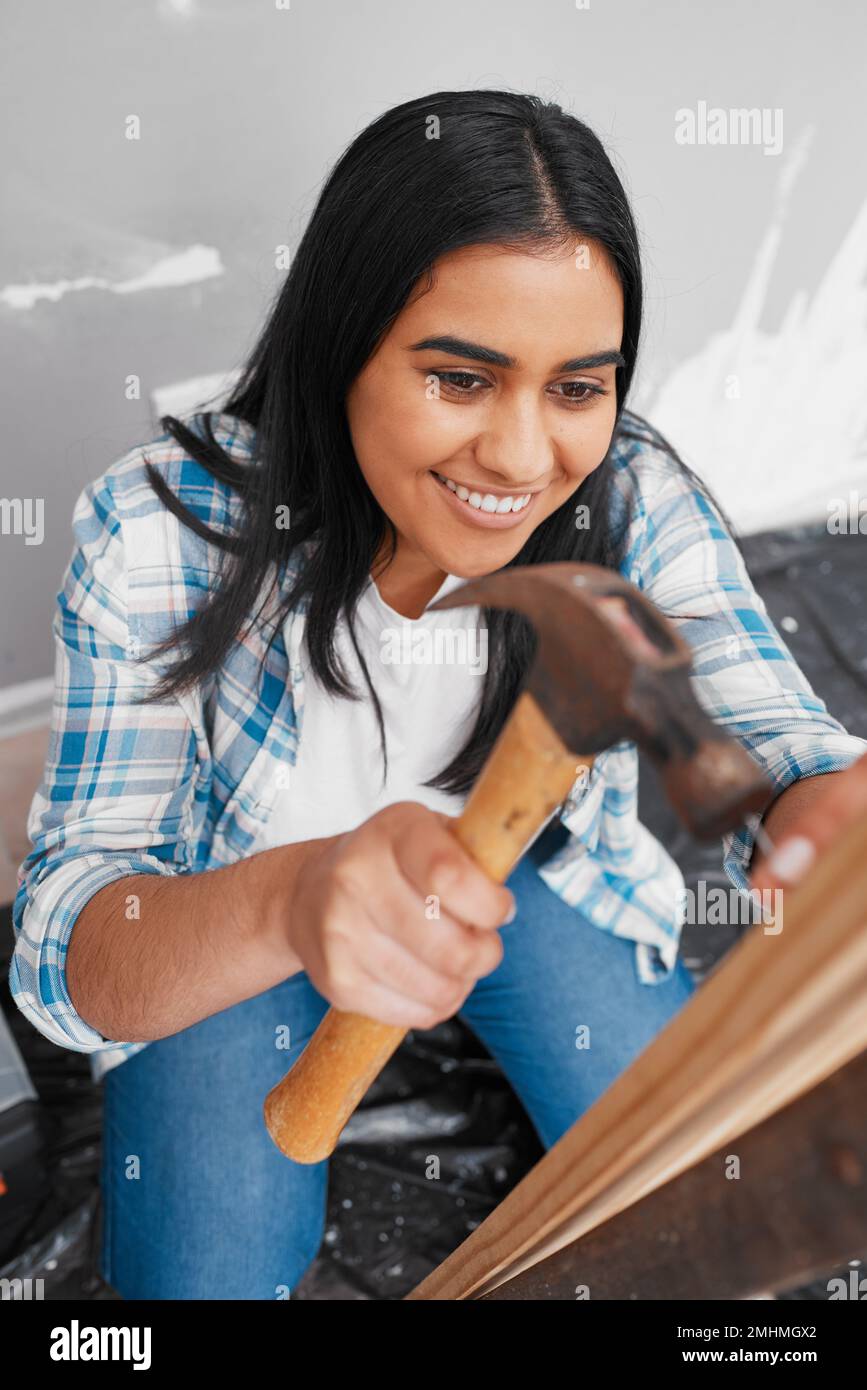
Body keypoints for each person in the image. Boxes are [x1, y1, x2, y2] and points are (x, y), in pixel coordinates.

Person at [10, 90, 867, 1300]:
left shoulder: (631, 497)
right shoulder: (155, 529)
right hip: (237, 900)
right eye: (461, 378)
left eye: (579, 386)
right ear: (341, 339)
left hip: (525, 867)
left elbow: (776, 734)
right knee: (198, 1287)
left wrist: (825, 805)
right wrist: (301, 897)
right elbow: (70, 950)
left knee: (703, 1216)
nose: (524, 459)